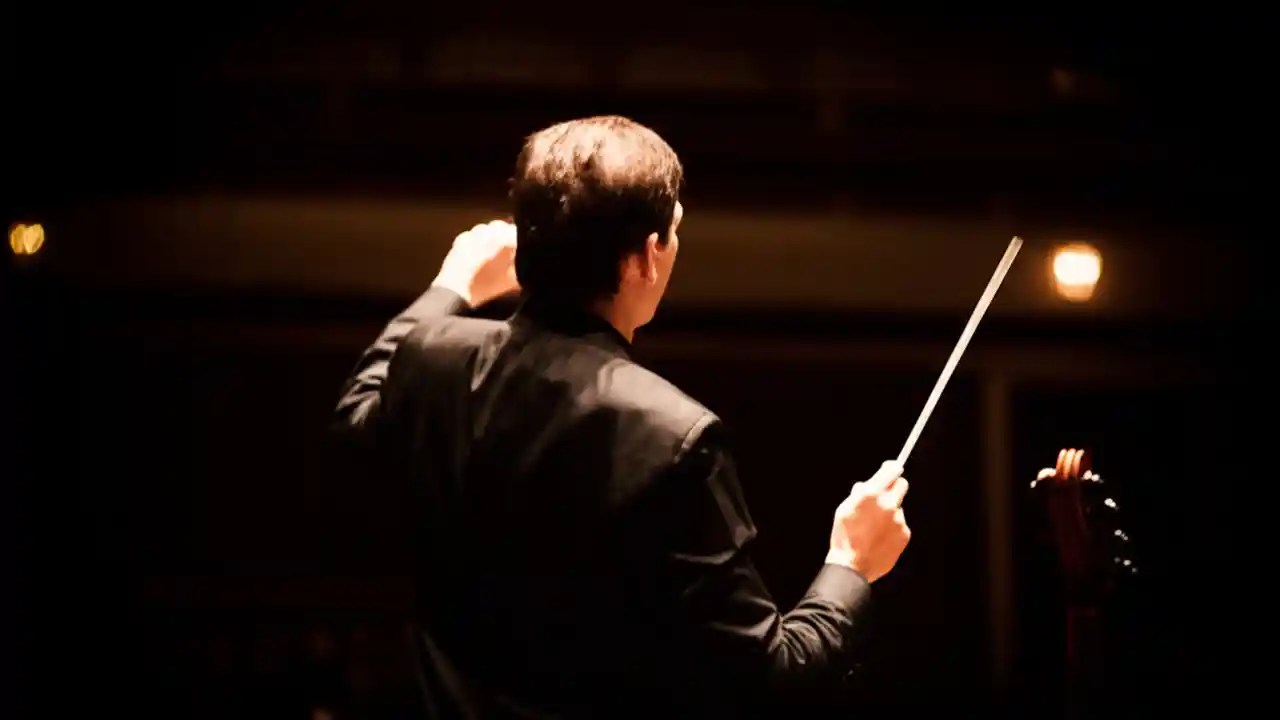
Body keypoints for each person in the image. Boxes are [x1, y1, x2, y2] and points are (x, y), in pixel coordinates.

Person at [333, 115, 912, 718]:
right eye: (673, 231)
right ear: (647, 257)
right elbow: (767, 682)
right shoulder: (673, 436)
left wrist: (451, 282)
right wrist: (851, 564)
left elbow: (355, 413)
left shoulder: (430, 357)